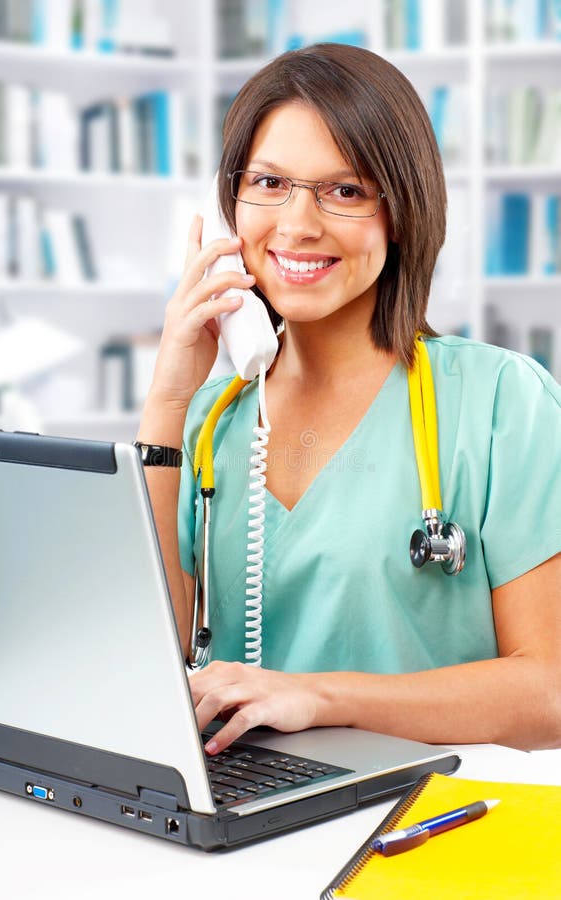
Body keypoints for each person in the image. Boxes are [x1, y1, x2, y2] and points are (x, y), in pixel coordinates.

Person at [137, 43, 561, 754]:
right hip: (249, 818)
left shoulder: (500, 403)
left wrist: (317, 696)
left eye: (345, 191)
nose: (298, 225)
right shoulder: (209, 423)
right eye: (269, 182)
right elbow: (139, 668)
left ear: (402, 212)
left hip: (434, 820)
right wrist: (166, 401)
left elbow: (548, 692)